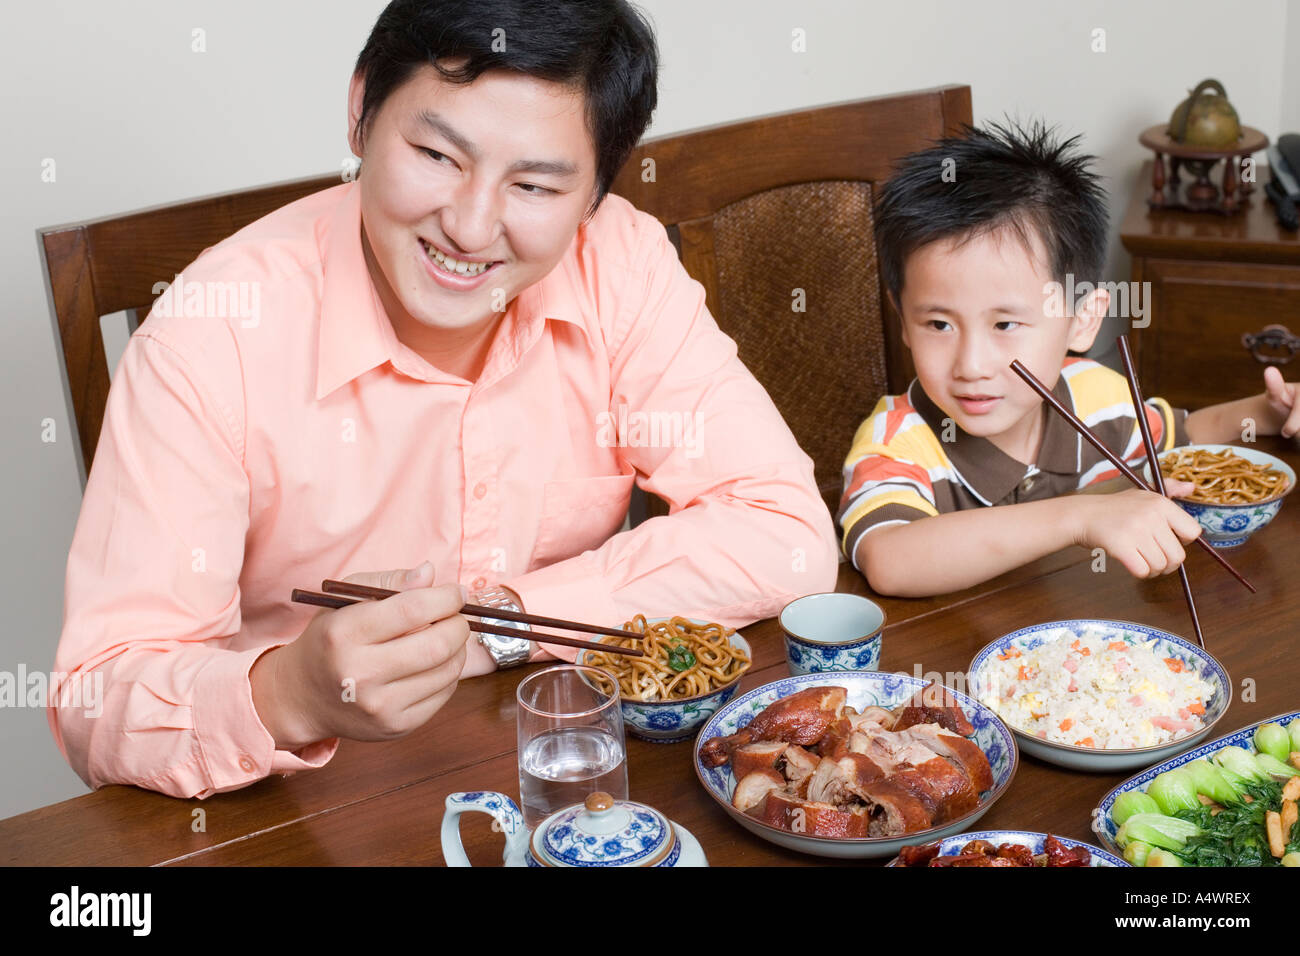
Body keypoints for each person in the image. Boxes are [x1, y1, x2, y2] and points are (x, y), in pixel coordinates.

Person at [50, 0, 837, 800]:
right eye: (435, 153)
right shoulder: (210, 333)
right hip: (300, 801)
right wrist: (290, 693)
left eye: (532, 184)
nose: (468, 226)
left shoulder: (619, 262)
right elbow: (97, 695)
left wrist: (498, 624)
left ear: (595, 193)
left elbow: (782, 527)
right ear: (360, 111)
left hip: (560, 768)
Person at [839, 120, 1300, 598]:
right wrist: (1079, 517)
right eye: (939, 325)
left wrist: (1268, 412)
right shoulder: (894, 443)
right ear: (902, 319)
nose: (971, 365)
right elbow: (891, 559)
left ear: (1083, 318)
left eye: (1005, 324)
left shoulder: (1097, 394)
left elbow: (1182, 438)